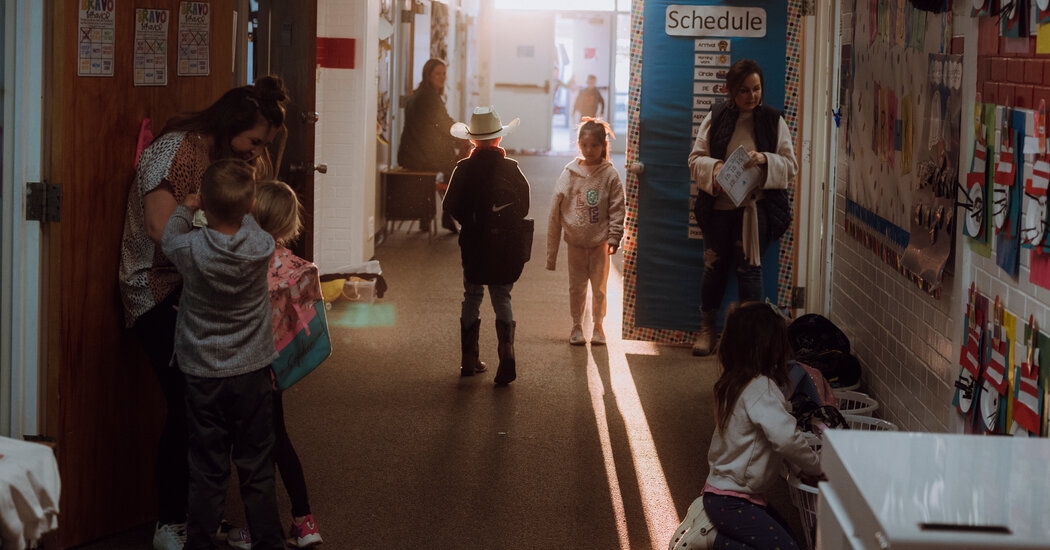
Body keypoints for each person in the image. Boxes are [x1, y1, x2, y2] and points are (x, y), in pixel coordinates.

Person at [118, 75, 289, 550]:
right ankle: (171, 521)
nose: (257, 153)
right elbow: (158, 229)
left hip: (195, 279)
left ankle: (204, 522)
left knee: (217, 417)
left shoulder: (229, 163)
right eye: (254, 141)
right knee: (186, 409)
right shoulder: (176, 150)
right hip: (155, 285)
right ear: (232, 125)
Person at [161, 159, 284, 550]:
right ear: (250, 206)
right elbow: (246, 223)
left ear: (205, 208)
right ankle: (270, 542)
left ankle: (199, 542)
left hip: (202, 373)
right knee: (257, 467)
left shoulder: (190, 248)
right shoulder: (261, 246)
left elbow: (168, 237)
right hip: (251, 373)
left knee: (207, 469)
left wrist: (187, 207)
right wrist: (236, 206)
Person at [222, 181, 325, 550]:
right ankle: (304, 520)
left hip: (236, 367)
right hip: (274, 369)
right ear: (288, 220)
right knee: (279, 441)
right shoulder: (295, 267)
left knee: (248, 449)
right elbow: (308, 314)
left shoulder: (235, 261)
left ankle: (255, 526)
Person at [687, 59, 797, 356]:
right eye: (744, 91)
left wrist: (764, 159)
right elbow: (695, 159)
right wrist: (716, 169)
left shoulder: (774, 120)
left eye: (756, 89)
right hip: (718, 209)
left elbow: (791, 166)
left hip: (754, 211)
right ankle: (708, 330)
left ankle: (748, 341)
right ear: (731, 92)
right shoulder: (716, 116)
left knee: (750, 273)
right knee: (714, 269)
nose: (751, 96)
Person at [701, 302, 823, 549]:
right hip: (733, 501)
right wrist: (815, 467)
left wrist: (798, 470)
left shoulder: (736, 382)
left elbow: (767, 441)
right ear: (769, 348)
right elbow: (786, 438)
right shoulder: (761, 388)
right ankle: (713, 542)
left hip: (724, 496)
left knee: (789, 541)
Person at [443, 106, 531, 385]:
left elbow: (449, 205)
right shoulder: (512, 168)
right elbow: (525, 205)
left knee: (472, 296)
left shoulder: (463, 169)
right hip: (505, 244)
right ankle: (507, 356)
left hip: (473, 244)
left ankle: (469, 360)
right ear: (499, 139)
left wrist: (471, 222)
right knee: (501, 297)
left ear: (472, 140)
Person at [545, 119, 625, 345]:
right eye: (585, 145)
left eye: (594, 145)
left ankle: (598, 326)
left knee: (599, 288)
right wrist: (551, 255)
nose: (589, 150)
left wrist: (614, 236)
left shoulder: (609, 175)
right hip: (576, 244)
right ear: (579, 144)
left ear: (603, 146)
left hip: (600, 244)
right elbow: (554, 212)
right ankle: (577, 326)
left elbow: (618, 207)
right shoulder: (569, 173)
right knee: (577, 287)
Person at [398, 58, 468, 233]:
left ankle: (436, 216)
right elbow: (444, 124)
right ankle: (449, 214)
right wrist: (466, 134)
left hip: (410, 153)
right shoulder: (429, 97)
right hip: (420, 155)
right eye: (438, 73)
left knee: (452, 162)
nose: (442, 77)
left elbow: (439, 124)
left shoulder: (419, 93)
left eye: (444, 73)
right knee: (460, 169)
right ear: (428, 75)